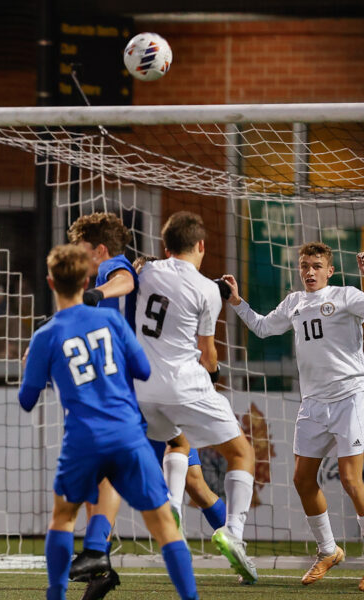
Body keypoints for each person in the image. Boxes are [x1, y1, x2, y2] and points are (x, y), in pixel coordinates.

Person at [19, 244, 198, 600]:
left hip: (83, 439)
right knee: (164, 526)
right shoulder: (112, 320)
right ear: (87, 279)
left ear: (50, 282)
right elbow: (143, 369)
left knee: (63, 519)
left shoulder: (46, 336)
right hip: (128, 435)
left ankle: (56, 596)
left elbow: (27, 400)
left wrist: (42, 367)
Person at [66, 219, 227, 600]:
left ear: (99, 249)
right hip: (157, 391)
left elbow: (124, 278)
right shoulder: (141, 270)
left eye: (82, 249)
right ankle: (232, 538)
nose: (78, 258)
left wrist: (98, 294)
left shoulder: (112, 268)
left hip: (140, 393)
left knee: (104, 474)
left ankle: (99, 560)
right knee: (194, 484)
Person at [223, 243, 364, 590]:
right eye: (304, 266)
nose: (309, 272)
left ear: (329, 270)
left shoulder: (346, 295)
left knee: (351, 479)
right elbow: (261, 328)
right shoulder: (293, 302)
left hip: (350, 397)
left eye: (316, 266)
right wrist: (236, 302)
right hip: (312, 403)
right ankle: (328, 550)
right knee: (302, 480)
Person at [134, 211, 258, 584]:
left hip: (141, 388)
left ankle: (172, 505)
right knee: (242, 452)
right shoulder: (206, 289)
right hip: (184, 384)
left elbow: (143, 267)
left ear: (165, 245)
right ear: (201, 245)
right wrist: (215, 377)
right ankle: (233, 532)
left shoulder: (145, 272)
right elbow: (208, 354)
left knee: (176, 440)